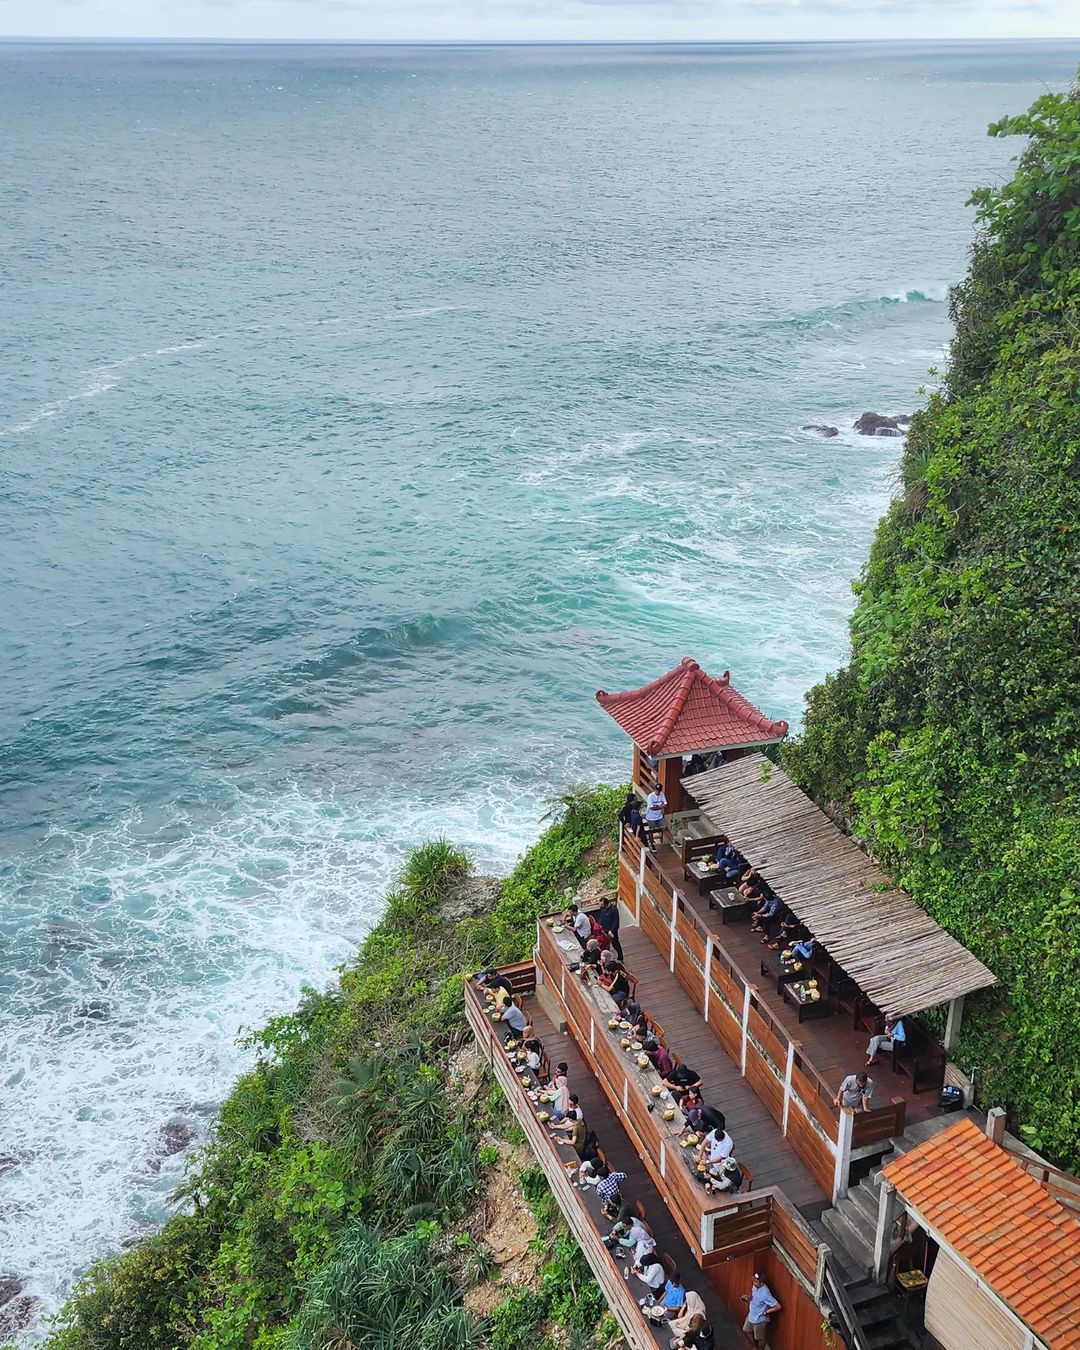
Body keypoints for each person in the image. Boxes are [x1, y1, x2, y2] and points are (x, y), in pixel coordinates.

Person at [741, 1272, 780, 1345]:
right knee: (746, 1330)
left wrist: (766, 1312)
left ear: (761, 1283)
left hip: (759, 1319)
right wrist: (748, 1297)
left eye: (756, 1281)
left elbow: (778, 1306)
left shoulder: (765, 1294)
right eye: (754, 1280)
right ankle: (754, 1346)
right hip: (752, 1314)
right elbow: (753, 1294)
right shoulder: (755, 1286)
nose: (754, 1282)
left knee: (759, 1338)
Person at [597, 896, 624, 962]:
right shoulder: (603, 908)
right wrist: (600, 924)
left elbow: (616, 921)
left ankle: (620, 957)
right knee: (605, 944)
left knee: (615, 943)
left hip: (611, 931)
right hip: (604, 929)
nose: (601, 907)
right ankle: (605, 958)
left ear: (606, 904)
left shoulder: (613, 910)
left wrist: (611, 930)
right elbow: (601, 916)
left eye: (602, 905)